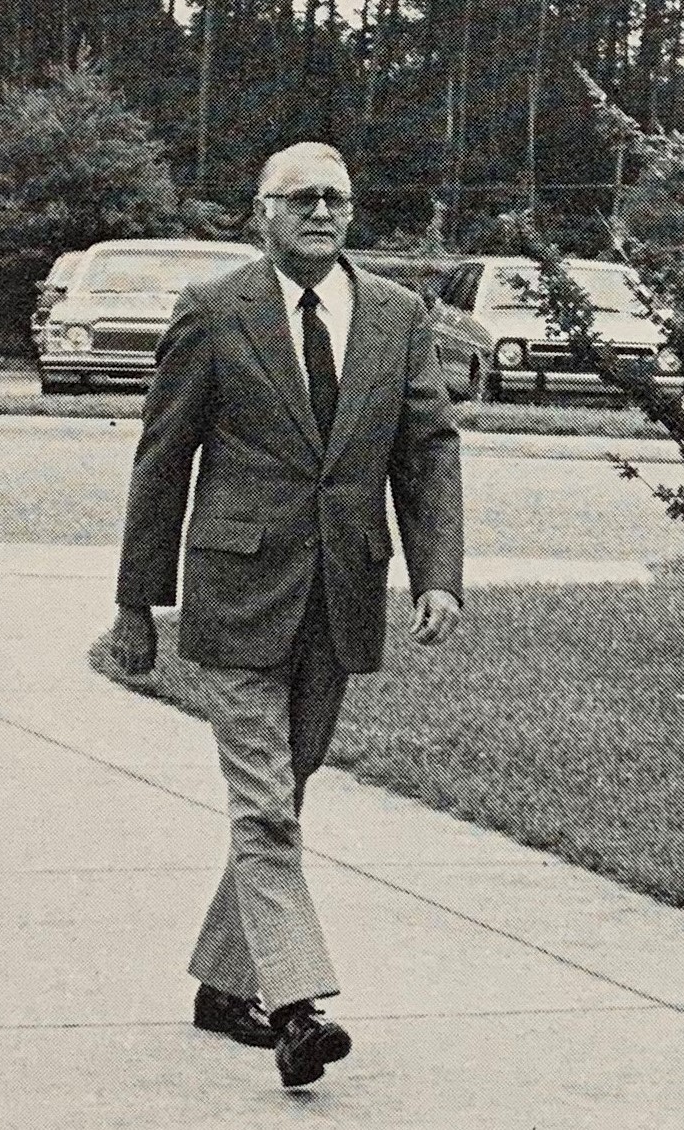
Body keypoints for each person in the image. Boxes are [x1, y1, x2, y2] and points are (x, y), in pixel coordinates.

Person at [110, 141, 464, 1088]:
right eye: (300, 197)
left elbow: (427, 451)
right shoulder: (213, 309)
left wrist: (437, 575)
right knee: (266, 806)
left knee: (285, 793)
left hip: (340, 597)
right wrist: (137, 602)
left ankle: (224, 985)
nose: (320, 211)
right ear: (260, 212)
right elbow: (161, 460)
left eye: (335, 197)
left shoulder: (396, 315)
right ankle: (297, 1009)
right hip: (236, 595)